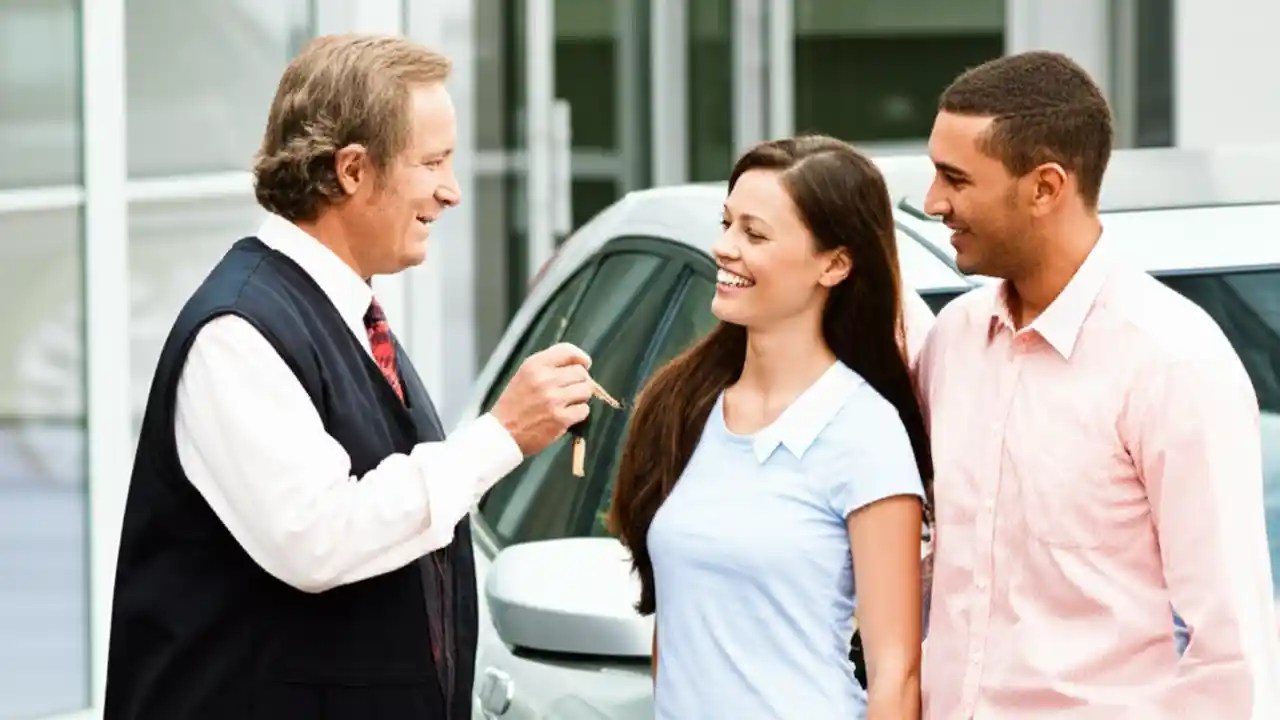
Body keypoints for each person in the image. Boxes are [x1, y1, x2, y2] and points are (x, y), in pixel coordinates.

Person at [104, 35, 596, 720]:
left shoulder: (343, 313)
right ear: (353, 171)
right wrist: (500, 437)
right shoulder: (237, 334)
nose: (452, 192)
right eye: (432, 163)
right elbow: (318, 540)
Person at [914, 51, 1280, 719]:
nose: (934, 201)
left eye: (954, 178)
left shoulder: (1171, 362)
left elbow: (1231, 648)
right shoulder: (953, 341)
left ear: (1046, 187)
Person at [607, 135, 933, 719]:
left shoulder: (866, 433)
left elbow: (896, 675)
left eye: (754, 234)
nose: (724, 247)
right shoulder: (681, 407)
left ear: (834, 264)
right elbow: (676, 633)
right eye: (727, 222)